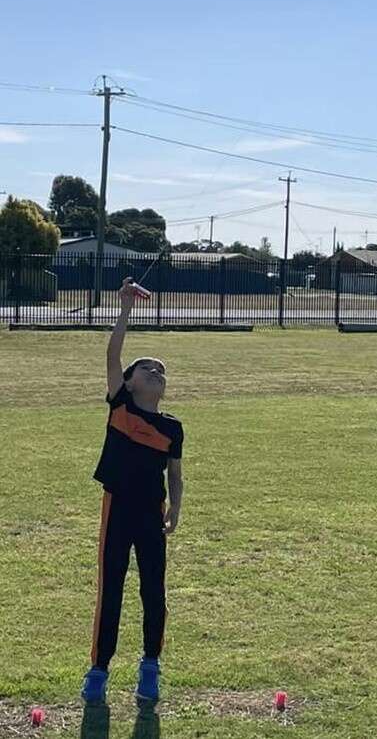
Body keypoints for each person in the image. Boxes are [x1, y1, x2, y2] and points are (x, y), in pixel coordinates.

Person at [81, 279, 184, 704]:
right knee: (112, 590)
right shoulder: (120, 408)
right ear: (128, 382)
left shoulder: (172, 428)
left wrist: (175, 507)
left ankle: (150, 667)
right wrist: (124, 308)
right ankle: (99, 670)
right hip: (117, 508)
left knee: (153, 591)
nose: (156, 372)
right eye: (147, 368)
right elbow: (112, 354)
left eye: (161, 370)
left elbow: (175, 473)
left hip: (150, 513)